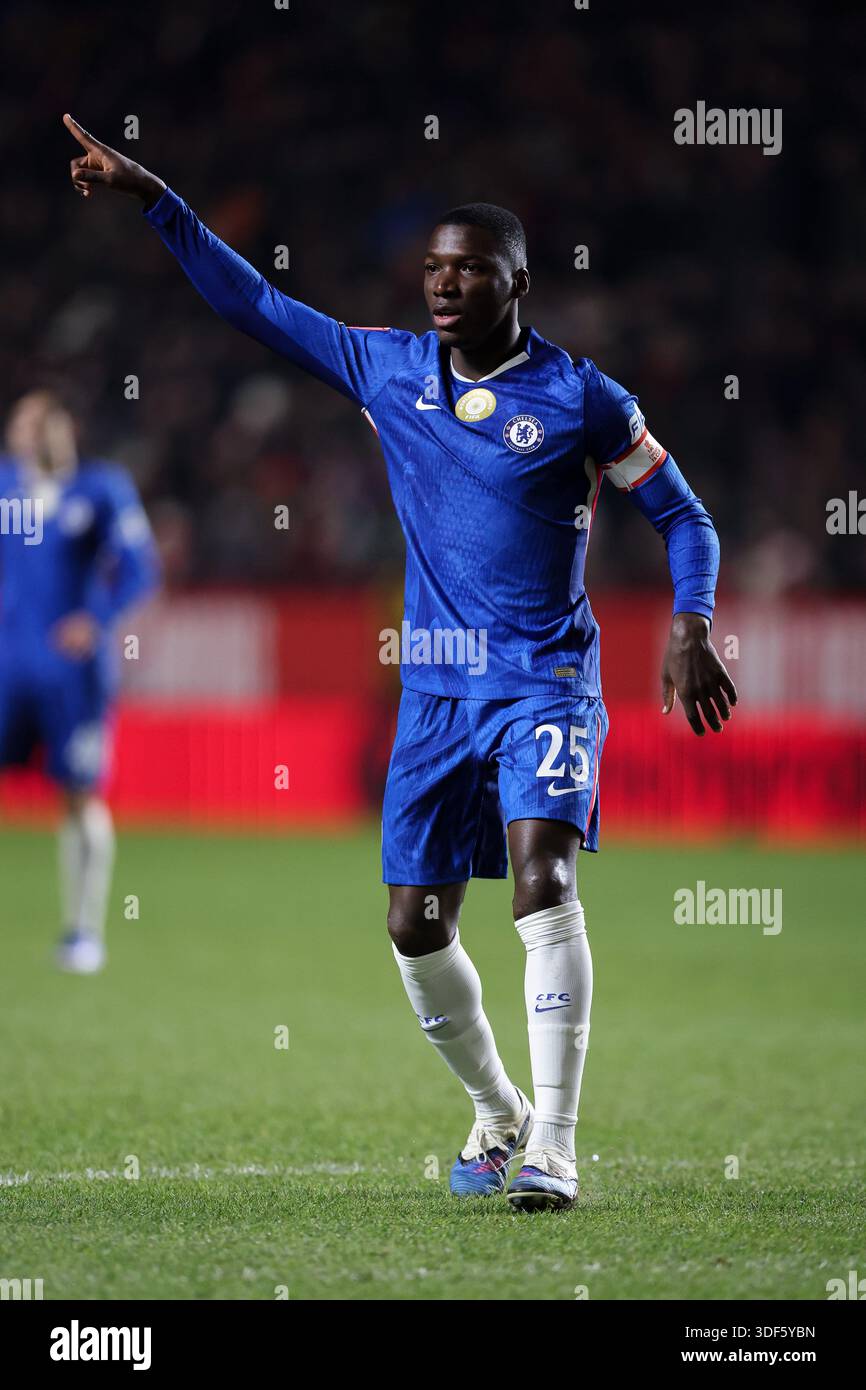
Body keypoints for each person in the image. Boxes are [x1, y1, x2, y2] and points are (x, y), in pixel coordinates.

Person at [64, 114, 737, 1208]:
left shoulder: (579, 395)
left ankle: (556, 1148)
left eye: (466, 272)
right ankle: (496, 1109)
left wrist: (691, 622)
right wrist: (156, 199)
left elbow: (685, 518)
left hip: (543, 683)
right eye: (432, 269)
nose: (442, 287)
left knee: (541, 883)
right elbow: (257, 305)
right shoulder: (387, 370)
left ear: (515, 282)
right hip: (432, 692)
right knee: (412, 927)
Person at [0, 387, 159, 973]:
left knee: (79, 794)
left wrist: (97, 620)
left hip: (74, 676)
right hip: (7, 667)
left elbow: (142, 566)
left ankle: (84, 931)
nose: (36, 433)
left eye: (48, 422)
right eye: (26, 422)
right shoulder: (4, 489)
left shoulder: (101, 488)